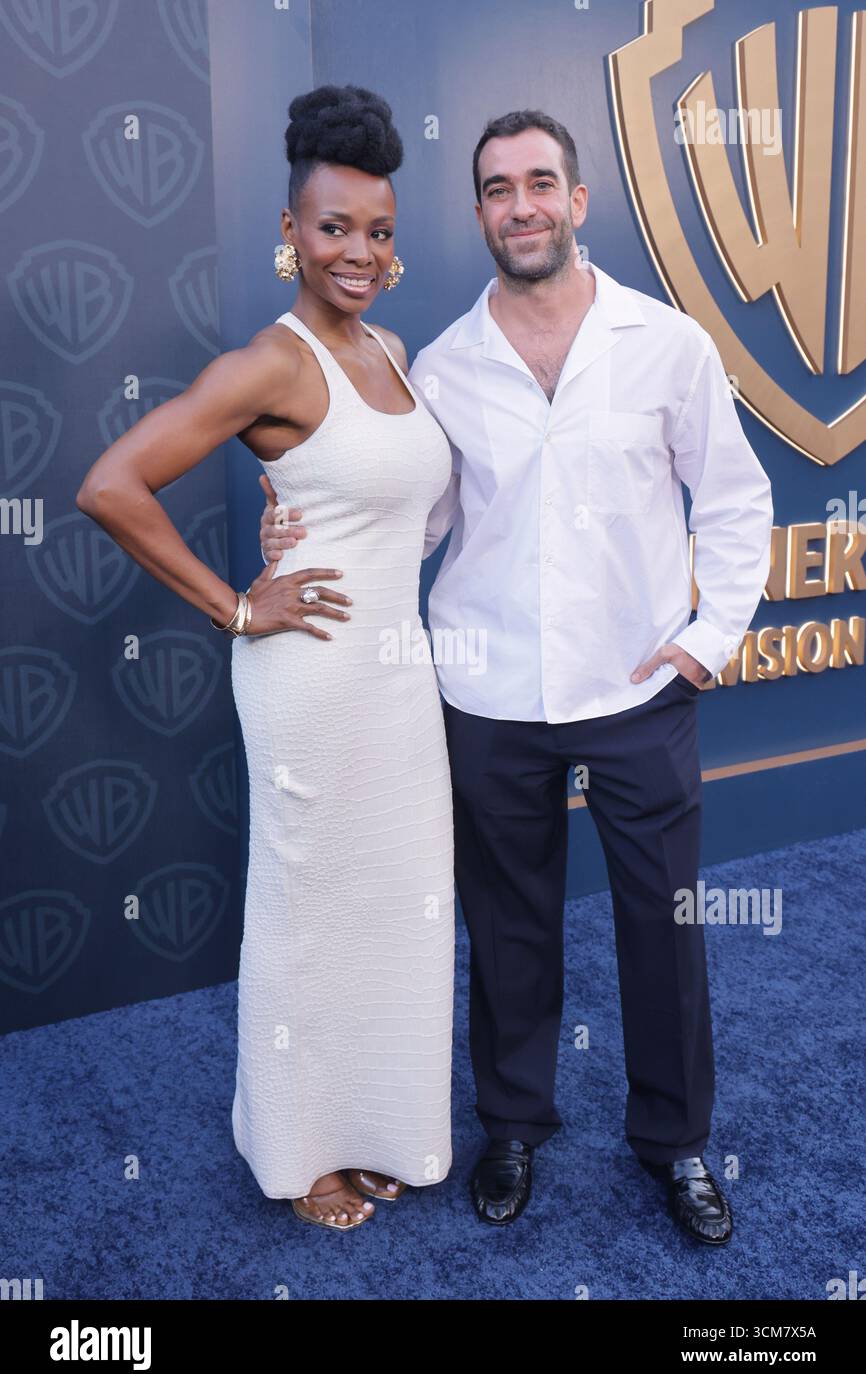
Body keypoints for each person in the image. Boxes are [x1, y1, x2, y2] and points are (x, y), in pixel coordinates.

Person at [261, 108, 774, 1244]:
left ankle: (675, 1143)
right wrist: (295, 542)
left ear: (576, 201)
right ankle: (509, 1125)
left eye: (540, 182)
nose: (521, 204)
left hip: (638, 690)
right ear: (481, 214)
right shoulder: (440, 365)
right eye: (497, 189)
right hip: (485, 695)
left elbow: (735, 502)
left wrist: (706, 637)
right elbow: (414, 518)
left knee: (662, 923)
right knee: (506, 927)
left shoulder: (665, 343)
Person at [76, 84, 457, 1231]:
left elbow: (392, 505)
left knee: (395, 910)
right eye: (332, 226)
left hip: (398, 678)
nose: (357, 249)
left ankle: (380, 1125)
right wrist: (237, 606)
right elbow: (109, 485)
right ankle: (300, 1154)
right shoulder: (271, 364)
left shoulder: (387, 346)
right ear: (288, 231)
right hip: (310, 682)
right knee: (309, 909)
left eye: (378, 231)